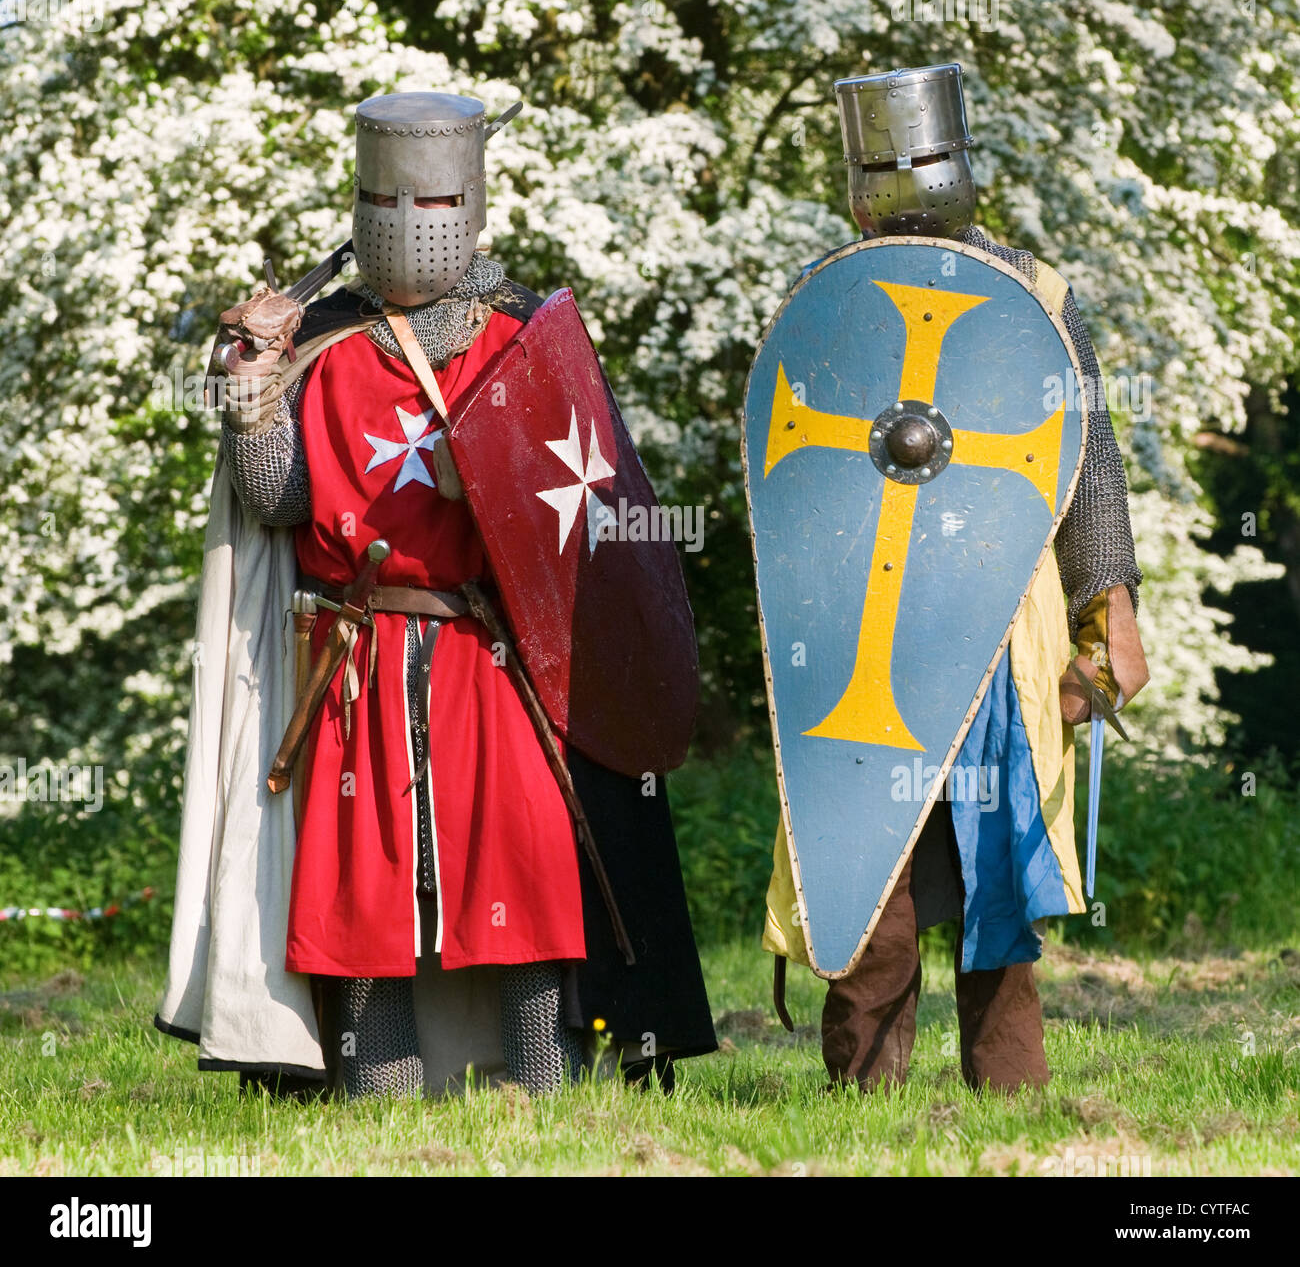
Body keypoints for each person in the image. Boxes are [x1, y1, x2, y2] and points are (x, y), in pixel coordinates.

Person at [156, 90, 714, 1097]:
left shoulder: (525, 335)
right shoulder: (314, 339)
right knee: (365, 882)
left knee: (523, 868)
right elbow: (277, 501)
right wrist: (248, 392)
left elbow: (591, 520)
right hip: (358, 660)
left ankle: (542, 1075)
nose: (414, 230)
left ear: (469, 201)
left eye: (432, 206)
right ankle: (376, 1087)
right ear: (363, 202)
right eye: (392, 205)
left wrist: (504, 474)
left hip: (496, 655)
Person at [761, 64, 1149, 1093]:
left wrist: (1106, 609)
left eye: (917, 158)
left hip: (993, 624)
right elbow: (791, 474)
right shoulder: (831, 299)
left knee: (997, 870)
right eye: (881, 162)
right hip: (863, 630)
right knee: (865, 865)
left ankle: (1010, 1092)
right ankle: (861, 1093)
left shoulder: (1036, 294)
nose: (903, 180)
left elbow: (1085, 464)